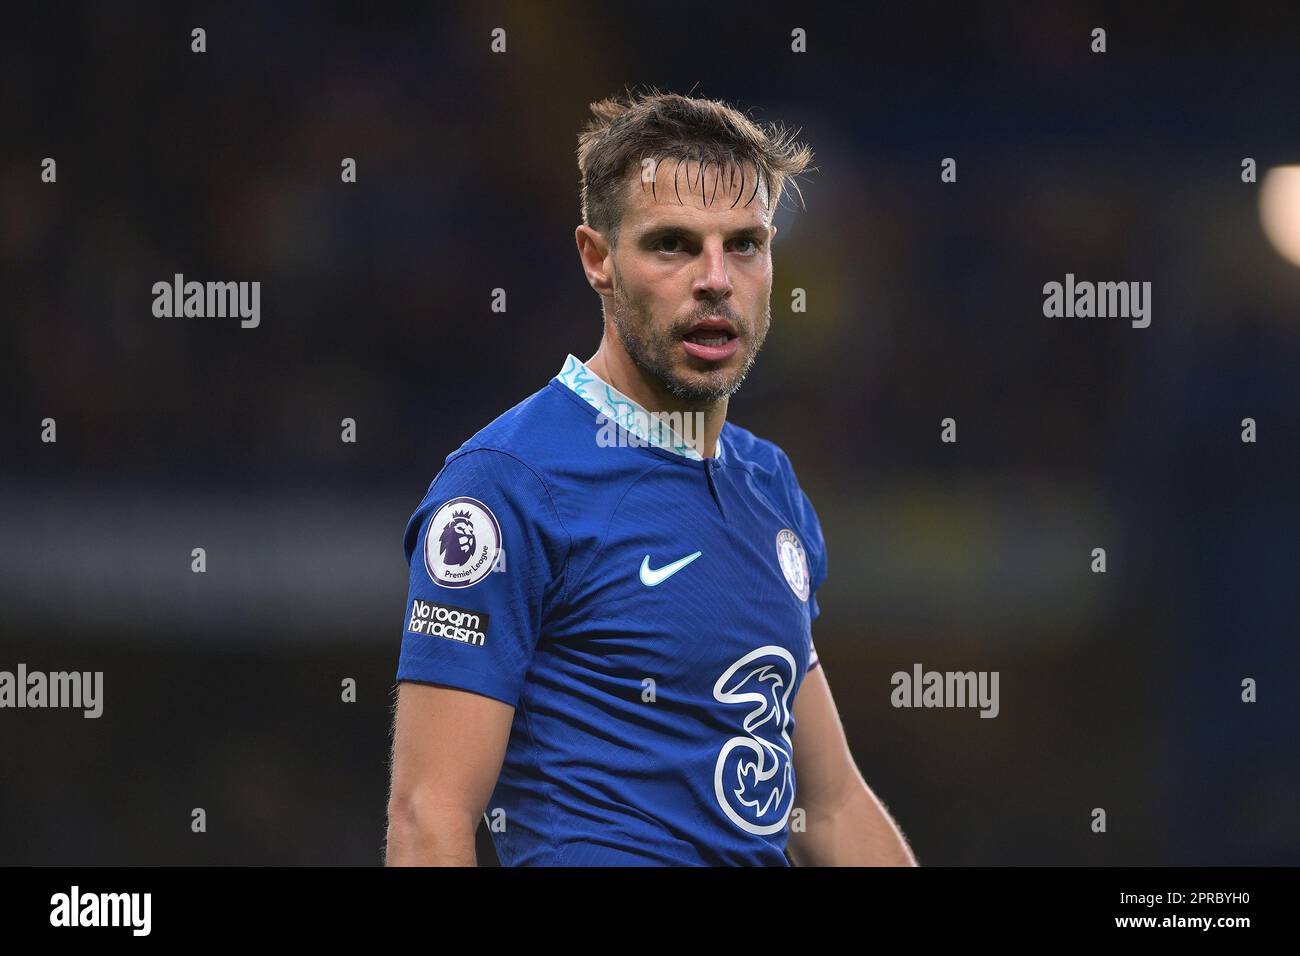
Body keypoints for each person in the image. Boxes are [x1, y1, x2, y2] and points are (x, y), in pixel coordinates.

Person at [385, 89, 915, 866]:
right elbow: (428, 816)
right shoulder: (505, 489)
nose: (715, 279)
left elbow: (828, 806)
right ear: (597, 259)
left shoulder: (769, 488)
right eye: (672, 244)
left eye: (745, 245)